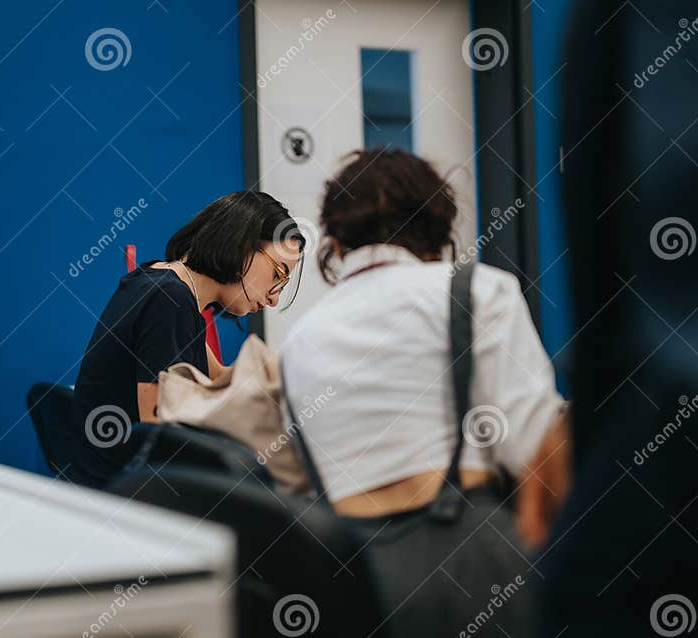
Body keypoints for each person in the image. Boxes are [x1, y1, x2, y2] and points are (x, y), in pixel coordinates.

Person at [281, 148, 570, 636]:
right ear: (438, 224)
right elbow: (537, 450)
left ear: (335, 237)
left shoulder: (298, 338)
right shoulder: (478, 289)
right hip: (474, 563)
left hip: (356, 580)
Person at [69, 191, 305, 488]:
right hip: (120, 492)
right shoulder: (171, 300)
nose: (274, 298)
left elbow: (222, 377)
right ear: (242, 244)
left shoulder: (160, 282)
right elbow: (157, 436)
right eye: (277, 275)